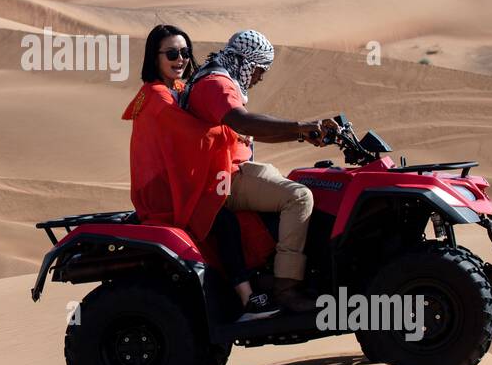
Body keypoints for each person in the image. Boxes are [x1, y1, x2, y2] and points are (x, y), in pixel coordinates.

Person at [122, 24, 278, 320]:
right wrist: (233, 130)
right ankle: (247, 298)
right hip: (166, 193)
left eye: (185, 52)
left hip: (182, 181)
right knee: (222, 220)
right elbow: (194, 135)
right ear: (154, 57)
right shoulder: (157, 97)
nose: (180, 59)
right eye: (171, 54)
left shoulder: (179, 89)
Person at [181, 30, 337, 314]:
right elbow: (244, 123)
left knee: (289, 178)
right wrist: (300, 126)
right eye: (261, 70)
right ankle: (286, 288)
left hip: (227, 172)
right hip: (221, 178)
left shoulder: (218, 80)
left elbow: (253, 131)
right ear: (248, 63)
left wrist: (301, 134)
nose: (261, 78)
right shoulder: (216, 85)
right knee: (299, 196)